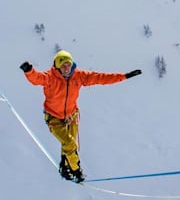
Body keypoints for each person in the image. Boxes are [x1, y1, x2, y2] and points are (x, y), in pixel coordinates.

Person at [20, 50, 141, 182]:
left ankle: (65, 167)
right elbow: (37, 78)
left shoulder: (78, 75)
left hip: (71, 115)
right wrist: (29, 71)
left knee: (69, 144)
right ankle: (76, 170)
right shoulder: (50, 77)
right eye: (63, 65)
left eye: (69, 65)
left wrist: (124, 76)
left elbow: (100, 78)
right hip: (53, 116)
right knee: (69, 143)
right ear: (57, 66)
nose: (67, 68)